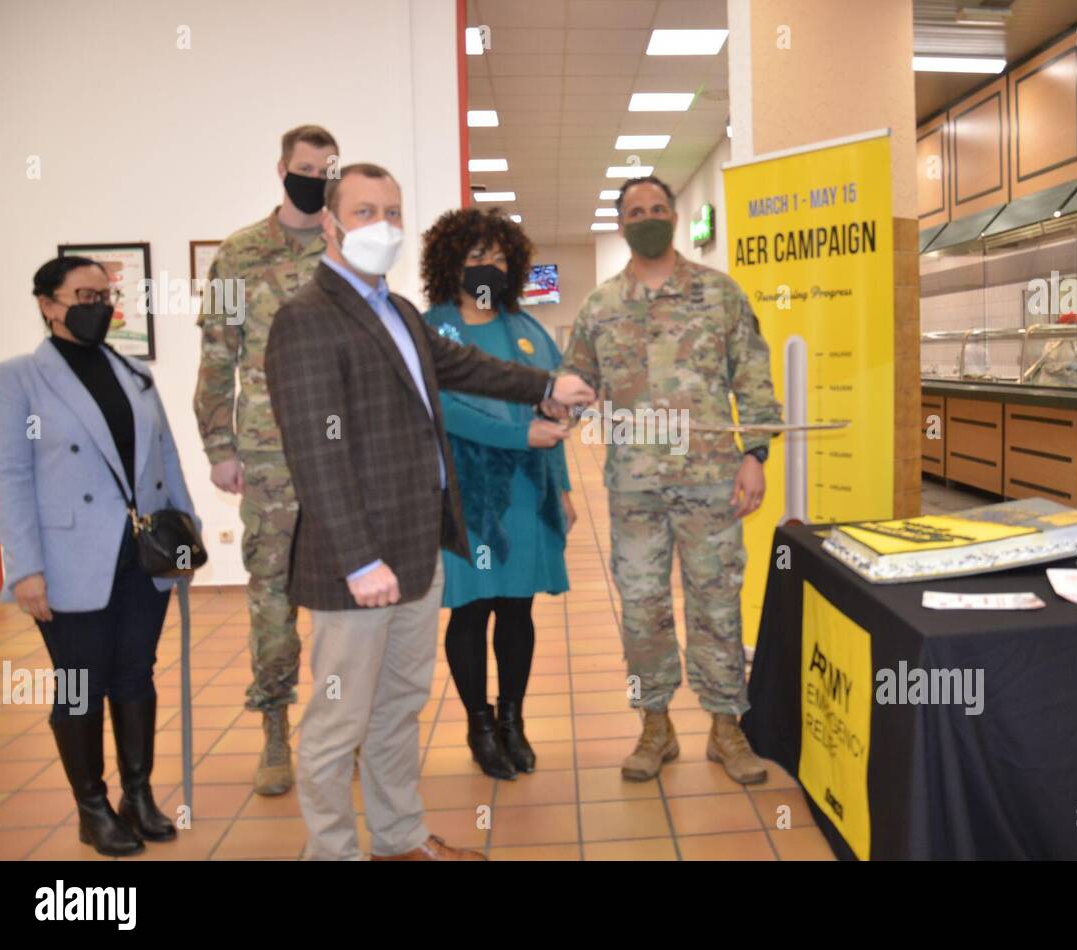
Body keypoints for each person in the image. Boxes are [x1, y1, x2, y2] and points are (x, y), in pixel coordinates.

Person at [264, 163, 594, 861]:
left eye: (391, 211)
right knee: (337, 722)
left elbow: (468, 368)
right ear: (328, 224)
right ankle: (332, 853)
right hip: (356, 565)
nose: (379, 224)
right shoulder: (306, 319)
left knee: (396, 711)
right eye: (362, 212)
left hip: (417, 550)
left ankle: (398, 840)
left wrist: (548, 383)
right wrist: (357, 559)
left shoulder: (399, 312)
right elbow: (314, 456)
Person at [561, 176, 783, 786]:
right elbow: (574, 383)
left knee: (716, 604)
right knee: (640, 609)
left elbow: (755, 377)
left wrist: (755, 454)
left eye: (659, 208)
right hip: (635, 485)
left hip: (712, 476)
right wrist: (552, 415)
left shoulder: (720, 294)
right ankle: (653, 724)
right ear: (622, 223)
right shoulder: (600, 307)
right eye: (637, 211)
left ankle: (726, 726)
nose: (649, 217)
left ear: (674, 217)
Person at [0, 257, 199, 856]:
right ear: (48, 305)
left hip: (141, 557)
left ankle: (137, 795)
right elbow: (6, 475)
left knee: (135, 675)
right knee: (79, 682)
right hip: (67, 560)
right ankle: (92, 807)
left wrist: (187, 536)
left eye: (106, 295)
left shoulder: (136, 374)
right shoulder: (17, 379)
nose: (99, 306)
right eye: (83, 295)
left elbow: (167, 461)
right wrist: (23, 566)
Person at [193, 124, 338, 796]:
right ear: (282, 169)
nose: (314, 177)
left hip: (344, 452)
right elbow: (218, 355)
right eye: (305, 167)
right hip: (270, 454)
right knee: (272, 597)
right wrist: (219, 447)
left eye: (325, 168)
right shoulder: (237, 255)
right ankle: (275, 731)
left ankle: (344, 728)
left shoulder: (351, 246)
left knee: (348, 597)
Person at [420, 208, 573, 780]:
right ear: (451, 262)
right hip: (464, 494)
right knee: (470, 608)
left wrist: (561, 487)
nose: (489, 267)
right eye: (476, 256)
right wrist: (518, 433)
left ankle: (513, 720)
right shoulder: (431, 327)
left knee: (517, 607)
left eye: (499, 257)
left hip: (525, 490)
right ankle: (479, 725)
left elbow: (553, 412)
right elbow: (445, 411)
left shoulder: (527, 330)